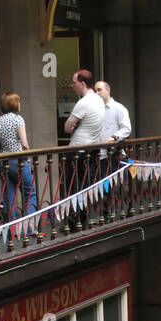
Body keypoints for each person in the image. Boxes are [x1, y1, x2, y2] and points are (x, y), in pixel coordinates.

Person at [63, 69, 104, 230]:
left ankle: (74, 222)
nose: (72, 86)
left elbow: (67, 127)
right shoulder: (99, 100)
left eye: (74, 83)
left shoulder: (84, 102)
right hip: (91, 150)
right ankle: (82, 219)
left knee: (73, 187)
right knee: (85, 186)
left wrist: (74, 125)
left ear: (83, 83)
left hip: (77, 151)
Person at [0, 90, 35, 218]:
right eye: (18, 101)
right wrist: (28, 158)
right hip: (19, 161)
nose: (20, 103)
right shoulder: (18, 119)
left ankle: (11, 229)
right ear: (14, 104)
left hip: (4, 160)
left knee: (9, 195)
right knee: (29, 193)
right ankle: (30, 227)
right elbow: (25, 144)